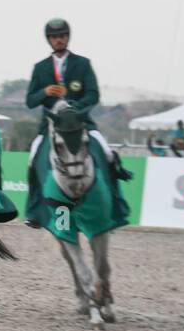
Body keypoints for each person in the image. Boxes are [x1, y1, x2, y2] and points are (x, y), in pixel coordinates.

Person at [24, 18, 126, 227]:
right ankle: (34, 210)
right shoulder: (41, 68)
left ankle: (116, 205)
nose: (59, 40)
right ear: (49, 40)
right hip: (51, 125)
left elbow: (93, 94)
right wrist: (44, 92)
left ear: (67, 37)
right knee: (33, 158)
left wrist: (74, 109)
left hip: (80, 123)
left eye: (62, 36)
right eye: (54, 37)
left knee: (107, 153)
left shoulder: (83, 64)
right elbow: (30, 101)